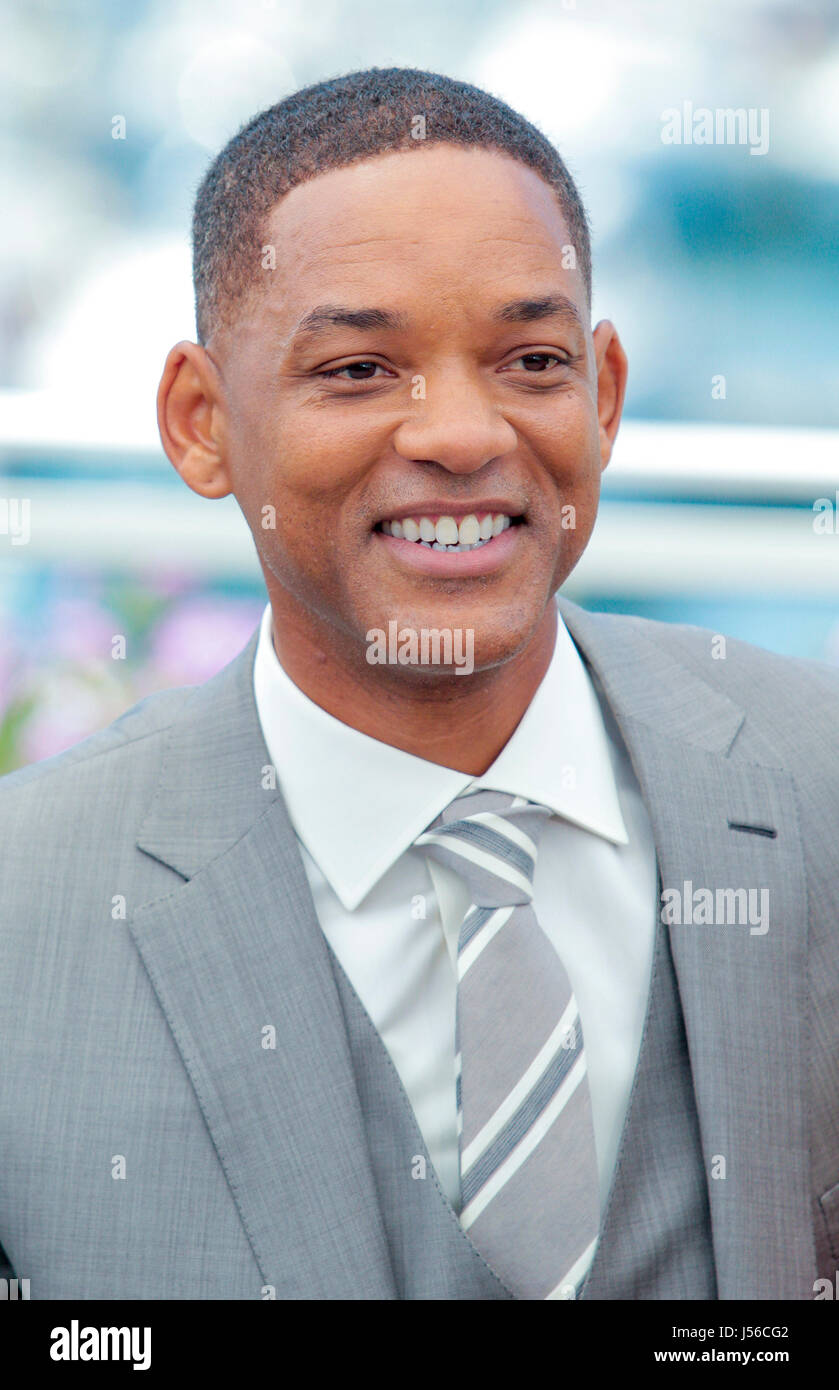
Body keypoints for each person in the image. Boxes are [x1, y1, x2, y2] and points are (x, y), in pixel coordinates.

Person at [1, 66, 837, 1301]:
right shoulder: (29, 909)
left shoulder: (811, 779)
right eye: (356, 371)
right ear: (200, 422)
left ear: (603, 397)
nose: (459, 431)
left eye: (530, 360)